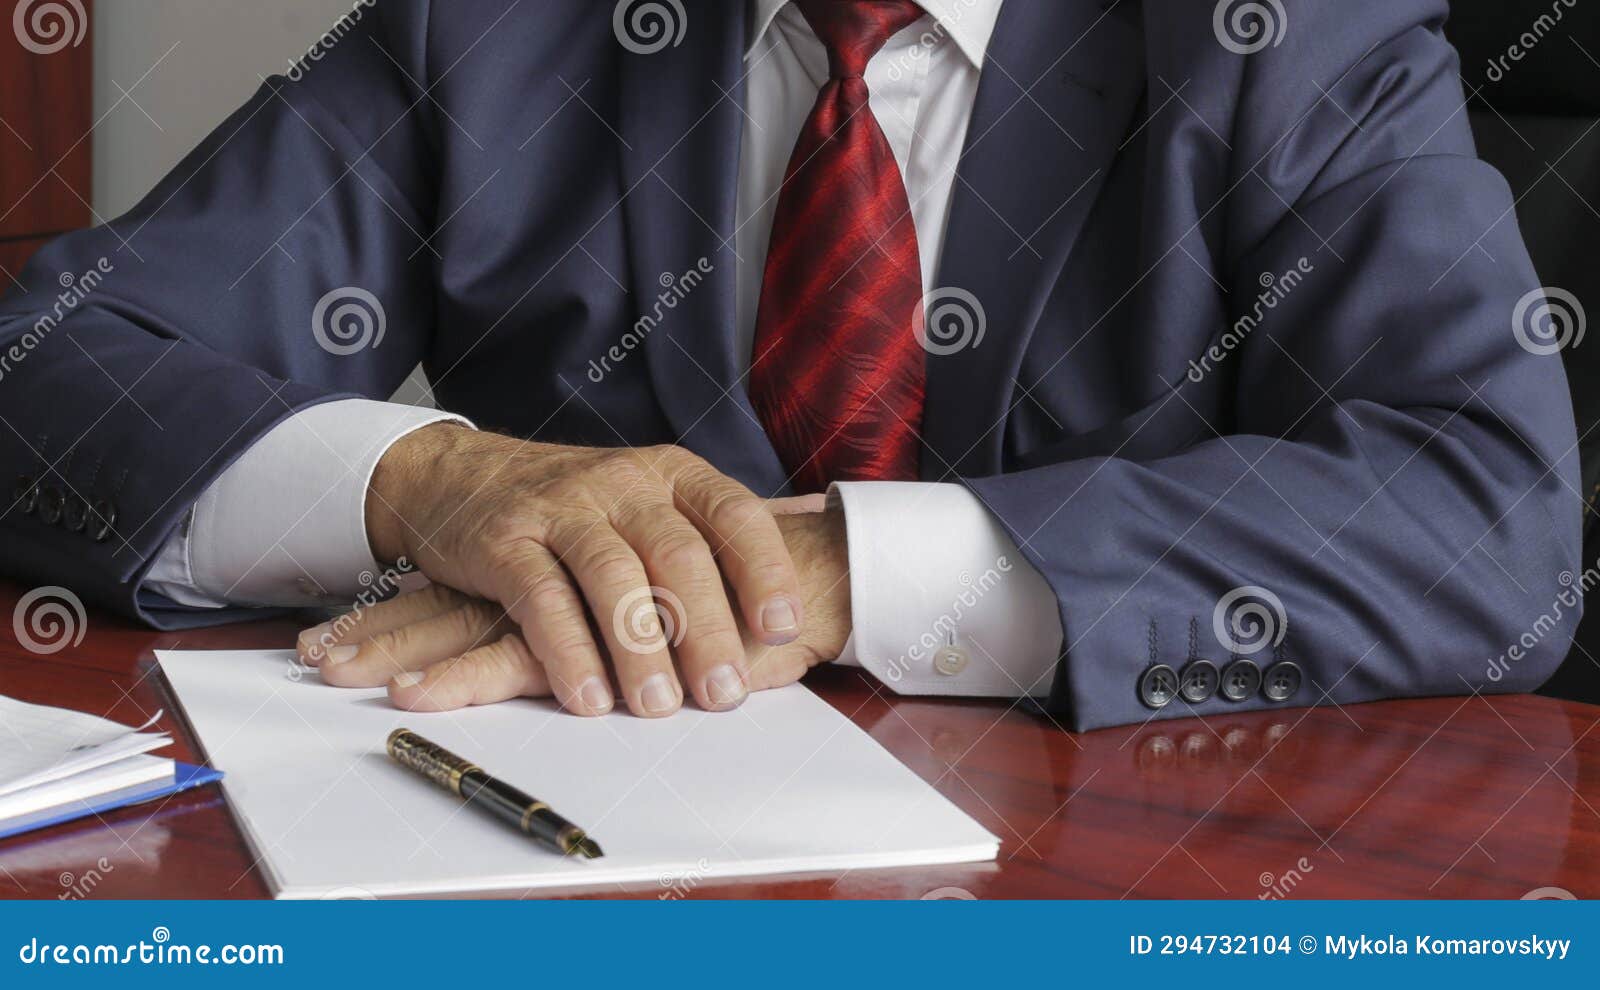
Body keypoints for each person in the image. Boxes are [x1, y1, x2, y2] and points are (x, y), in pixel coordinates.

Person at [0, 0, 1580, 730]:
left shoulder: (1287, 34)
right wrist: (428, 481)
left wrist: (827, 568)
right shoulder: (482, 27)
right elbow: (48, 361)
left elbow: (1486, 515)